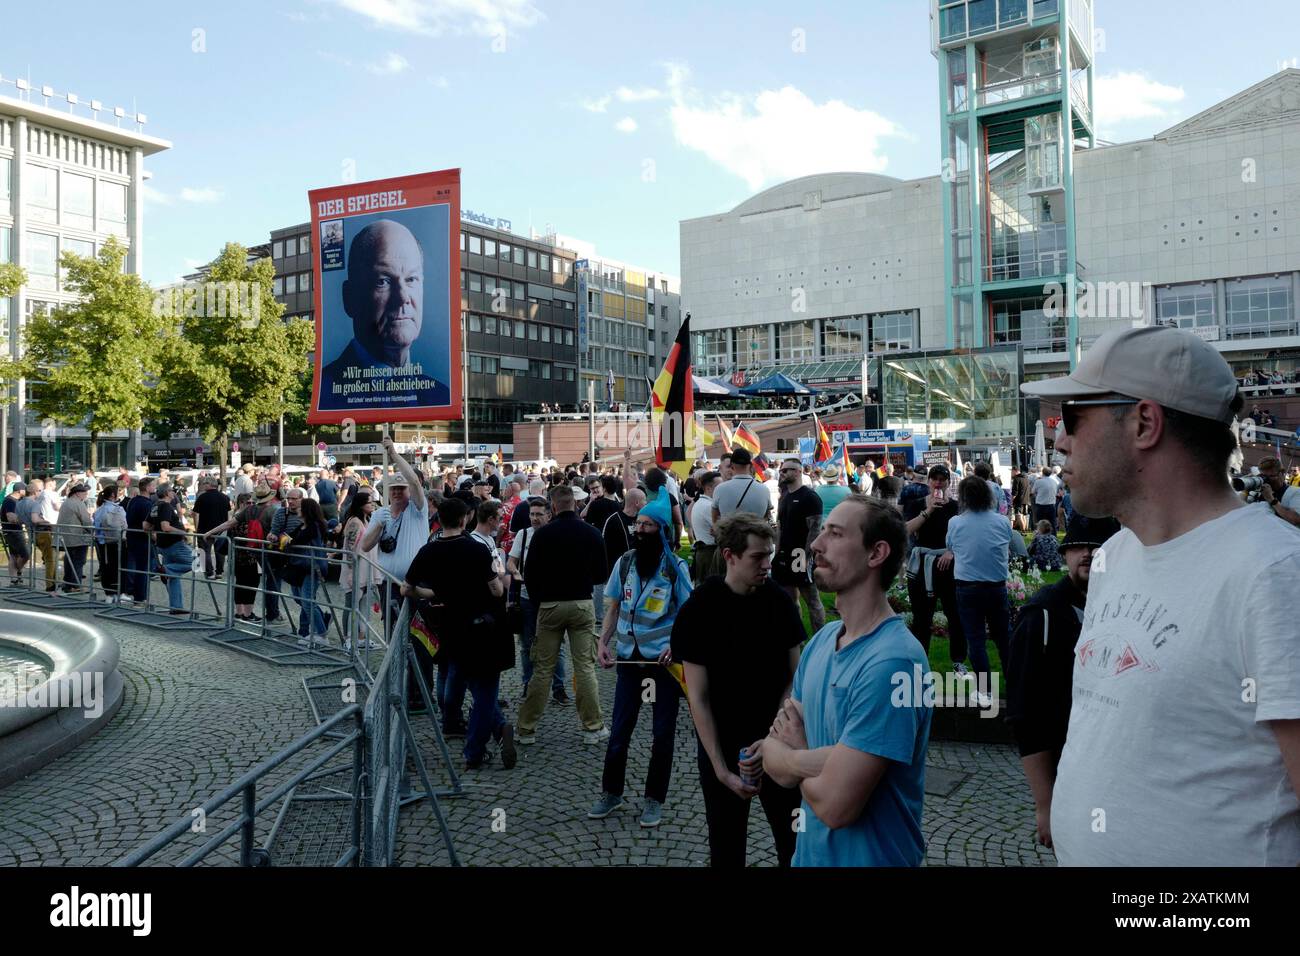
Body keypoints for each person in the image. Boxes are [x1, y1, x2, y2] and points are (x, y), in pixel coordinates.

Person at [1020, 323, 1300, 865]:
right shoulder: (1115, 558)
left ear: (1145, 422)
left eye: (1072, 416)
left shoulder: (1275, 574)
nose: (1057, 437)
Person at [761, 495, 933, 866]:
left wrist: (794, 757)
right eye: (822, 532)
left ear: (876, 554)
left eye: (835, 535)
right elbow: (771, 755)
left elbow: (838, 806)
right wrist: (823, 759)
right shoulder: (823, 640)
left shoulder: (895, 663)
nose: (815, 545)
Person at [672, 512, 804, 866]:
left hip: (779, 745)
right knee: (726, 848)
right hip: (723, 745)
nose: (767, 564)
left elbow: (796, 677)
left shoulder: (779, 601)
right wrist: (719, 768)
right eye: (757, 557)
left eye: (770, 555)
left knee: (794, 846)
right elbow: (696, 696)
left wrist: (777, 739)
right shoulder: (699, 609)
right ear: (730, 555)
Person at [1007, 513, 1120, 848]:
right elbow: (1025, 715)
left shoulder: (1126, 607)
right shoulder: (1041, 615)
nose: (1086, 553)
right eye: (1077, 547)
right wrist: (1045, 804)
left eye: (1097, 546)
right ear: (1066, 554)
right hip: (1072, 770)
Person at [589, 488, 693, 828]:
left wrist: (676, 647)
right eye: (639, 523)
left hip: (661, 666)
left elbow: (689, 616)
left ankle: (653, 799)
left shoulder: (676, 568)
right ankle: (611, 793)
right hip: (627, 662)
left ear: (662, 530)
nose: (639, 530)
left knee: (662, 735)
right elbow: (613, 606)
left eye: (648, 525)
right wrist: (603, 642)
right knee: (619, 731)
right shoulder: (625, 564)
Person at [405, 497, 517, 770]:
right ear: (464, 519)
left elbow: (406, 589)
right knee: (485, 691)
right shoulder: (476, 549)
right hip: (485, 627)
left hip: (452, 628)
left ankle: (496, 729)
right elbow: (496, 590)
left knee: (473, 685)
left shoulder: (428, 551)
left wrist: (434, 593)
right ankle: (474, 750)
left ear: (439, 520)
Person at [318, 219, 450, 407]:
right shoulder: (324, 397)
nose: (403, 297)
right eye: (383, 281)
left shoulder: (442, 397)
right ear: (349, 298)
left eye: (411, 279)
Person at [518, 484, 609, 746]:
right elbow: (602, 574)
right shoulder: (592, 533)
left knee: (543, 669)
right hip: (582, 603)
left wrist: (539, 602)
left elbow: (530, 575)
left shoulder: (542, 535)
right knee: (585, 667)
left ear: (553, 507)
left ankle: (526, 728)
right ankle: (592, 727)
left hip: (549, 605)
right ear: (576, 504)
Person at [359, 438, 430, 684]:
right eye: (394, 489)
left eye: (402, 488)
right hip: (389, 585)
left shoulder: (418, 509)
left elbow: (412, 478)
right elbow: (365, 546)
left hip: (416, 585)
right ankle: (397, 681)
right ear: (388, 492)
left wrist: (394, 453)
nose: (398, 492)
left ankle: (420, 689)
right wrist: (380, 524)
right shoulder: (381, 513)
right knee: (393, 636)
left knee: (419, 636)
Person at [944, 476, 1013, 705]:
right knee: (1004, 640)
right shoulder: (1002, 521)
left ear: (963, 497)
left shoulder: (956, 522)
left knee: (975, 641)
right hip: (996, 587)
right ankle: (1015, 687)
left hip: (968, 588)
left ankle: (985, 692)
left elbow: (951, 546)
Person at [902, 464, 970, 678]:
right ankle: (920, 663)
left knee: (955, 614)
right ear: (929, 482)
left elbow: (966, 537)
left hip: (949, 566)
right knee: (922, 616)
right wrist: (929, 510)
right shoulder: (916, 504)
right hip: (922, 565)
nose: (938, 483)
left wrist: (952, 552)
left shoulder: (957, 507)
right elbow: (906, 530)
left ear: (949, 483)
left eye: (943, 479)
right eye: (935, 479)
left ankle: (958, 661)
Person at [508, 496, 569, 704]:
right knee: (526, 645)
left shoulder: (556, 535)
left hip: (551, 598)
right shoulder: (523, 535)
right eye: (532, 514)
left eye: (538, 514)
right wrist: (515, 572)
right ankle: (528, 684)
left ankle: (559, 688)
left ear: (548, 515)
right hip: (526, 598)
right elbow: (511, 562)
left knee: (556, 645)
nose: (534, 518)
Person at [270, 493, 331, 650]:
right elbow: (290, 539)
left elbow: (294, 541)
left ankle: (321, 634)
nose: (296, 508)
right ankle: (320, 623)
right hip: (300, 567)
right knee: (299, 598)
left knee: (307, 600)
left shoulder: (313, 526)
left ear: (306, 510)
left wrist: (286, 541)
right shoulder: (302, 525)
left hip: (312, 567)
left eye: (300, 507)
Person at [773, 457, 825, 633]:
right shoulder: (785, 495)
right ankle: (797, 637)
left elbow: (815, 530)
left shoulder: (810, 497)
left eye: (786, 470)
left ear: (797, 472)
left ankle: (820, 638)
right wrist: (778, 551)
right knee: (789, 599)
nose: (782, 473)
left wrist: (806, 556)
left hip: (800, 554)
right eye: (781, 470)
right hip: (784, 554)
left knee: (811, 599)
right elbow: (780, 526)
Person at [205, 492, 265, 622]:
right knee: (249, 584)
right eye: (249, 503)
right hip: (249, 556)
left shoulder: (237, 514)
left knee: (242, 583)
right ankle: (246, 613)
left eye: (253, 503)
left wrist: (210, 532)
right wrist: (210, 532)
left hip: (240, 556)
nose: (251, 505)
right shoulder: (244, 517)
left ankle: (240, 612)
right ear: (242, 503)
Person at [336, 490, 379, 645]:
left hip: (365, 568)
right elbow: (348, 548)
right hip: (355, 570)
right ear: (361, 505)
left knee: (363, 605)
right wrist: (350, 572)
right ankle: (347, 639)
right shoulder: (354, 522)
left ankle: (361, 637)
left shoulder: (366, 519)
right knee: (351, 604)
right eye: (369, 502)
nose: (373, 504)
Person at [145, 483, 194, 614]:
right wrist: (182, 532)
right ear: (167, 493)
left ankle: (176, 607)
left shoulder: (155, 506)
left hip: (163, 545)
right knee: (195, 562)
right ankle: (164, 569)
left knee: (174, 576)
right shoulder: (166, 506)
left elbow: (145, 525)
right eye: (172, 491)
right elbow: (165, 526)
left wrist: (155, 533)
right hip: (174, 544)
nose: (173, 493)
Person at [711, 448, 772, 527]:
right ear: (750, 466)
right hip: (755, 537)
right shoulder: (764, 490)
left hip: (729, 538)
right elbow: (767, 516)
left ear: (732, 466)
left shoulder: (720, 489)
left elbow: (715, 520)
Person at [123, 477, 156, 606]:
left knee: (135, 568)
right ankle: (140, 597)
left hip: (132, 538)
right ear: (147, 488)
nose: (155, 488)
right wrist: (155, 538)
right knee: (143, 569)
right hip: (142, 540)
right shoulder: (147, 504)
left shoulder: (132, 501)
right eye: (153, 485)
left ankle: (134, 593)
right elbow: (146, 525)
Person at [56, 483, 94, 593]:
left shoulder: (66, 502)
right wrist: (93, 531)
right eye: (85, 494)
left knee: (69, 560)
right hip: (76, 537)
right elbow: (86, 520)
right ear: (77, 493)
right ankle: (75, 585)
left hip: (66, 537)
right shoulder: (78, 503)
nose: (86, 496)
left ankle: (67, 584)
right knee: (78, 561)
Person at [193, 477, 232, 579]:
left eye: (204, 484)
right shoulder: (225, 497)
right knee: (220, 551)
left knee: (205, 551)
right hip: (221, 528)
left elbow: (195, 513)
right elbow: (229, 513)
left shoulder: (202, 497)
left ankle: (209, 573)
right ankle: (219, 572)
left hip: (204, 528)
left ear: (208, 484)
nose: (202, 486)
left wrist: (196, 527)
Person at [688, 471, 720, 584]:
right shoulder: (707, 506)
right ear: (708, 488)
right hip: (709, 554)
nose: (721, 490)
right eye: (718, 487)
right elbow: (723, 529)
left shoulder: (702, 503)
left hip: (705, 552)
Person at [32, 478, 62, 592]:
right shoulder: (52, 493)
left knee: (50, 558)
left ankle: (54, 581)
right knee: (51, 559)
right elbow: (57, 507)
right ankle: (51, 584)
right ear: (51, 484)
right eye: (55, 484)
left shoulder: (40, 496)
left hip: (41, 530)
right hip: (49, 528)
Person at [1, 482, 29, 586]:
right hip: (12, 532)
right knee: (25, 554)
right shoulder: (10, 501)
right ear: (20, 490)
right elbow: (10, 517)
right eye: (25, 489)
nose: (26, 491)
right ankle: (17, 573)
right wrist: (24, 520)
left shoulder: (16, 500)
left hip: (14, 531)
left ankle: (14, 579)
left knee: (14, 555)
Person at [1031, 467, 1060, 531]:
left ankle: (1040, 536)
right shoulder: (1054, 482)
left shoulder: (1038, 481)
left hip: (1041, 505)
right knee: (1052, 523)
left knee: (1040, 523)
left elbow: (1032, 492)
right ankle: (1053, 536)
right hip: (1051, 505)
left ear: (1043, 473)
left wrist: (1037, 495)